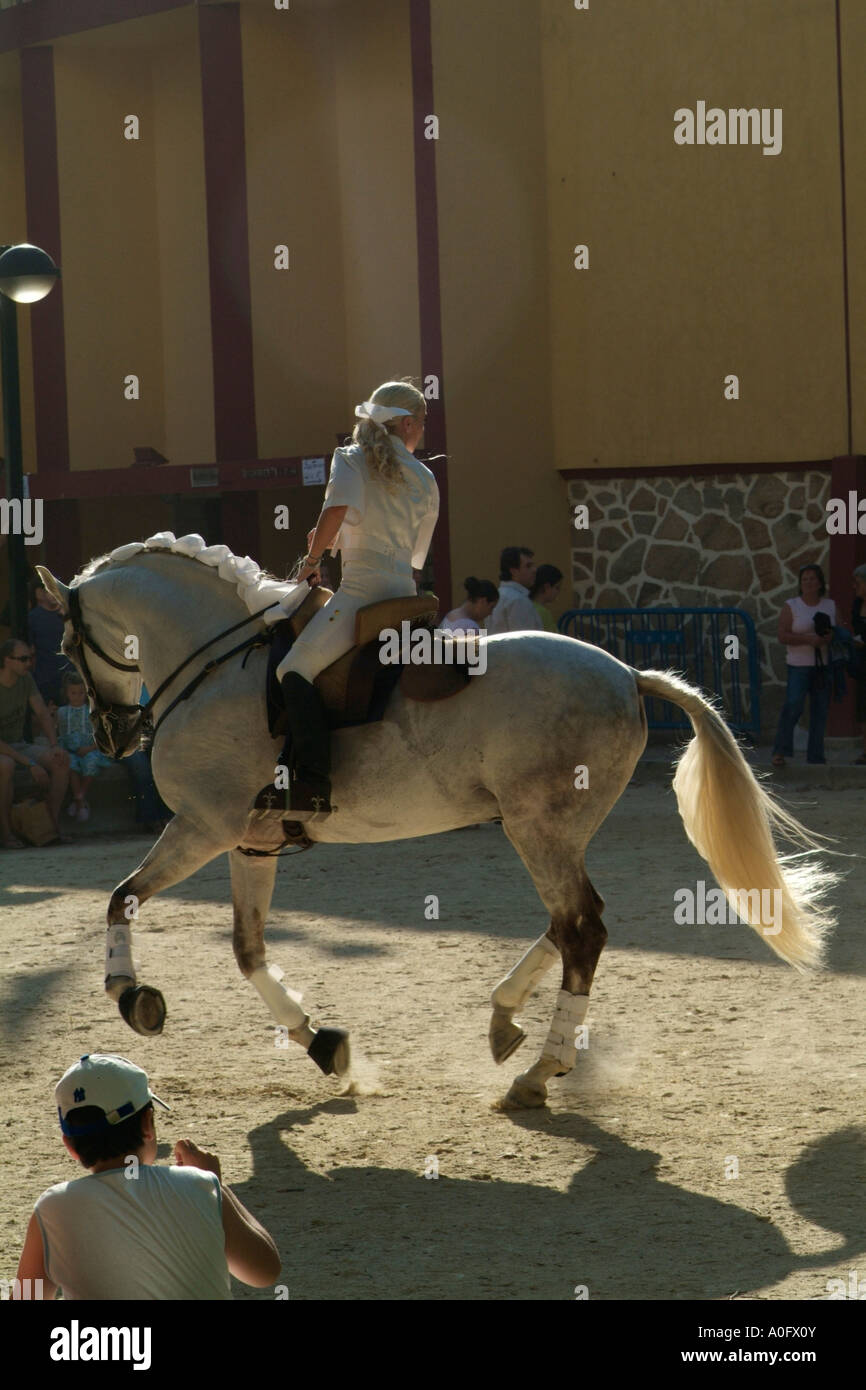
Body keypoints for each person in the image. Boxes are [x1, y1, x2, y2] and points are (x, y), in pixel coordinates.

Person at [255, 378, 439, 819]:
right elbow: (415, 554)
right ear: (408, 423)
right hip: (405, 593)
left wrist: (313, 557)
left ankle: (314, 781)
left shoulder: (351, 458)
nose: (424, 432)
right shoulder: (425, 476)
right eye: (423, 424)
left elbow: (335, 513)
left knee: (292, 668)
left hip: (361, 592)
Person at [13, 1053, 281, 1300]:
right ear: (147, 1124)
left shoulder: (52, 1209)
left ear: (69, 1146)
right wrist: (216, 1184)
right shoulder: (198, 1184)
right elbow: (265, 1272)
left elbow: (26, 1297)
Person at [0, 637, 70, 848]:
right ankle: (6, 834)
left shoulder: (26, 679)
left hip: (18, 745)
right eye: (23, 659)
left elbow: (41, 712)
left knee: (61, 759)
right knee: (6, 765)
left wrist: (54, 745)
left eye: (30, 658)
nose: (28, 663)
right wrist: (30, 764)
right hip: (5, 751)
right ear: (6, 660)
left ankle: (51, 827)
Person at [771, 563, 836, 767]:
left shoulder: (830, 606)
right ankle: (780, 751)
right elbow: (782, 635)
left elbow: (839, 632)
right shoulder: (792, 605)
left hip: (823, 666)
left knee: (820, 711)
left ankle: (816, 756)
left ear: (819, 582)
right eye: (804, 579)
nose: (808, 582)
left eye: (812, 578)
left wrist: (828, 638)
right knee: (793, 705)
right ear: (800, 584)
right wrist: (809, 640)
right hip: (798, 666)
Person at [56, 672, 115, 821]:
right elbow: (59, 734)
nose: (77, 696)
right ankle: (80, 801)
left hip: (90, 748)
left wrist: (89, 749)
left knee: (91, 761)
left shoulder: (92, 712)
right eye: (73, 693)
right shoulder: (61, 712)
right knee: (70, 763)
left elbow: (101, 735)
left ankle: (80, 794)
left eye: (81, 692)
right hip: (70, 750)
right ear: (66, 693)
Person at [27, 580, 74, 706]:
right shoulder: (33, 617)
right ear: (41, 594)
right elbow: (30, 650)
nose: (55, 593)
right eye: (51, 590)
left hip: (70, 676)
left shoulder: (69, 613)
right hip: (45, 676)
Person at [487, 546, 543, 634]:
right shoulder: (518, 600)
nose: (534, 570)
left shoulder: (497, 595)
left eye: (533, 565)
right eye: (528, 566)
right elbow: (525, 641)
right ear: (513, 571)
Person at [850, 564, 866, 764]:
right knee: (863, 708)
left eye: (858, 583)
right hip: (863, 664)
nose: (855, 587)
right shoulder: (856, 605)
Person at [529, 563, 563, 632]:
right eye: (557, 587)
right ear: (547, 587)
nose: (558, 592)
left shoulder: (526, 605)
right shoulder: (543, 613)